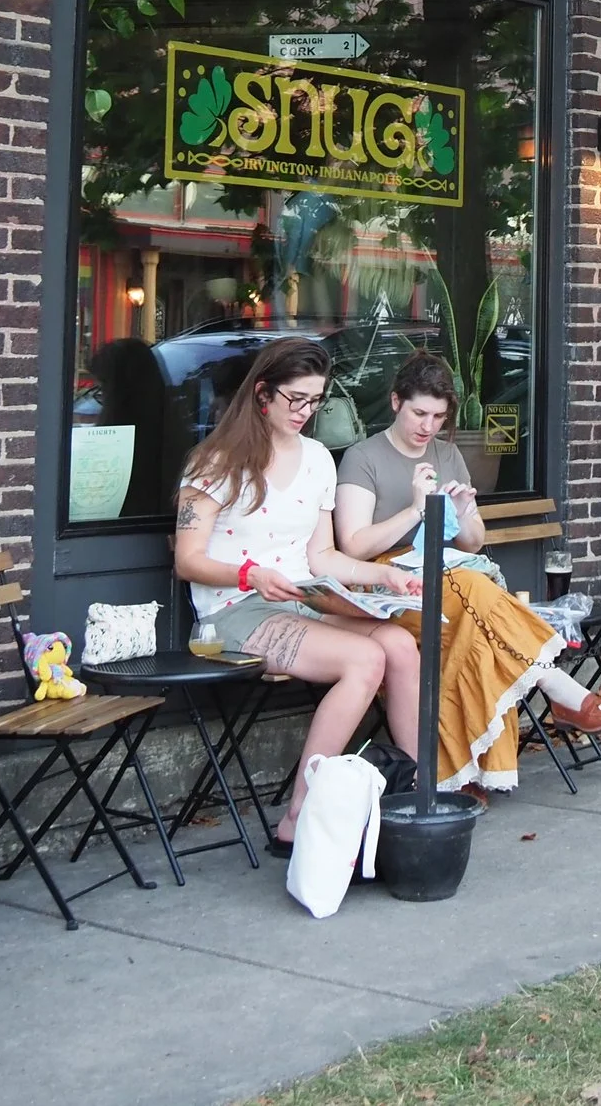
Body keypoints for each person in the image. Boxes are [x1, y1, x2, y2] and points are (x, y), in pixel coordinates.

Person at [336, 351, 601, 791]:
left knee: (481, 641)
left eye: (437, 416)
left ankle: (461, 777)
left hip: (450, 577)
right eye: (419, 412)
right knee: (477, 594)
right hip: (385, 582)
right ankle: (562, 691)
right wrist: (416, 510)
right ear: (396, 402)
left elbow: (473, 541)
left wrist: (461, 510)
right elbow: (353, 545)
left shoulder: (449, 454)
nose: (427, 426)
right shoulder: (363, 457)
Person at [172, 338, 420, 854]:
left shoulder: (317, 460)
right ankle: (299, 815)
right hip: (235, 611)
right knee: (365, 659)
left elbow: (322, 557)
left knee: (398, 643)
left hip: (301, 598)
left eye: (317, 400)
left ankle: (420, 796)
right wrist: (249, 575)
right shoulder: (216, 460)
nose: (307, 412)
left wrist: (381, 578)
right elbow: (187, 559)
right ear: (263, 393)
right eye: (297, 399)